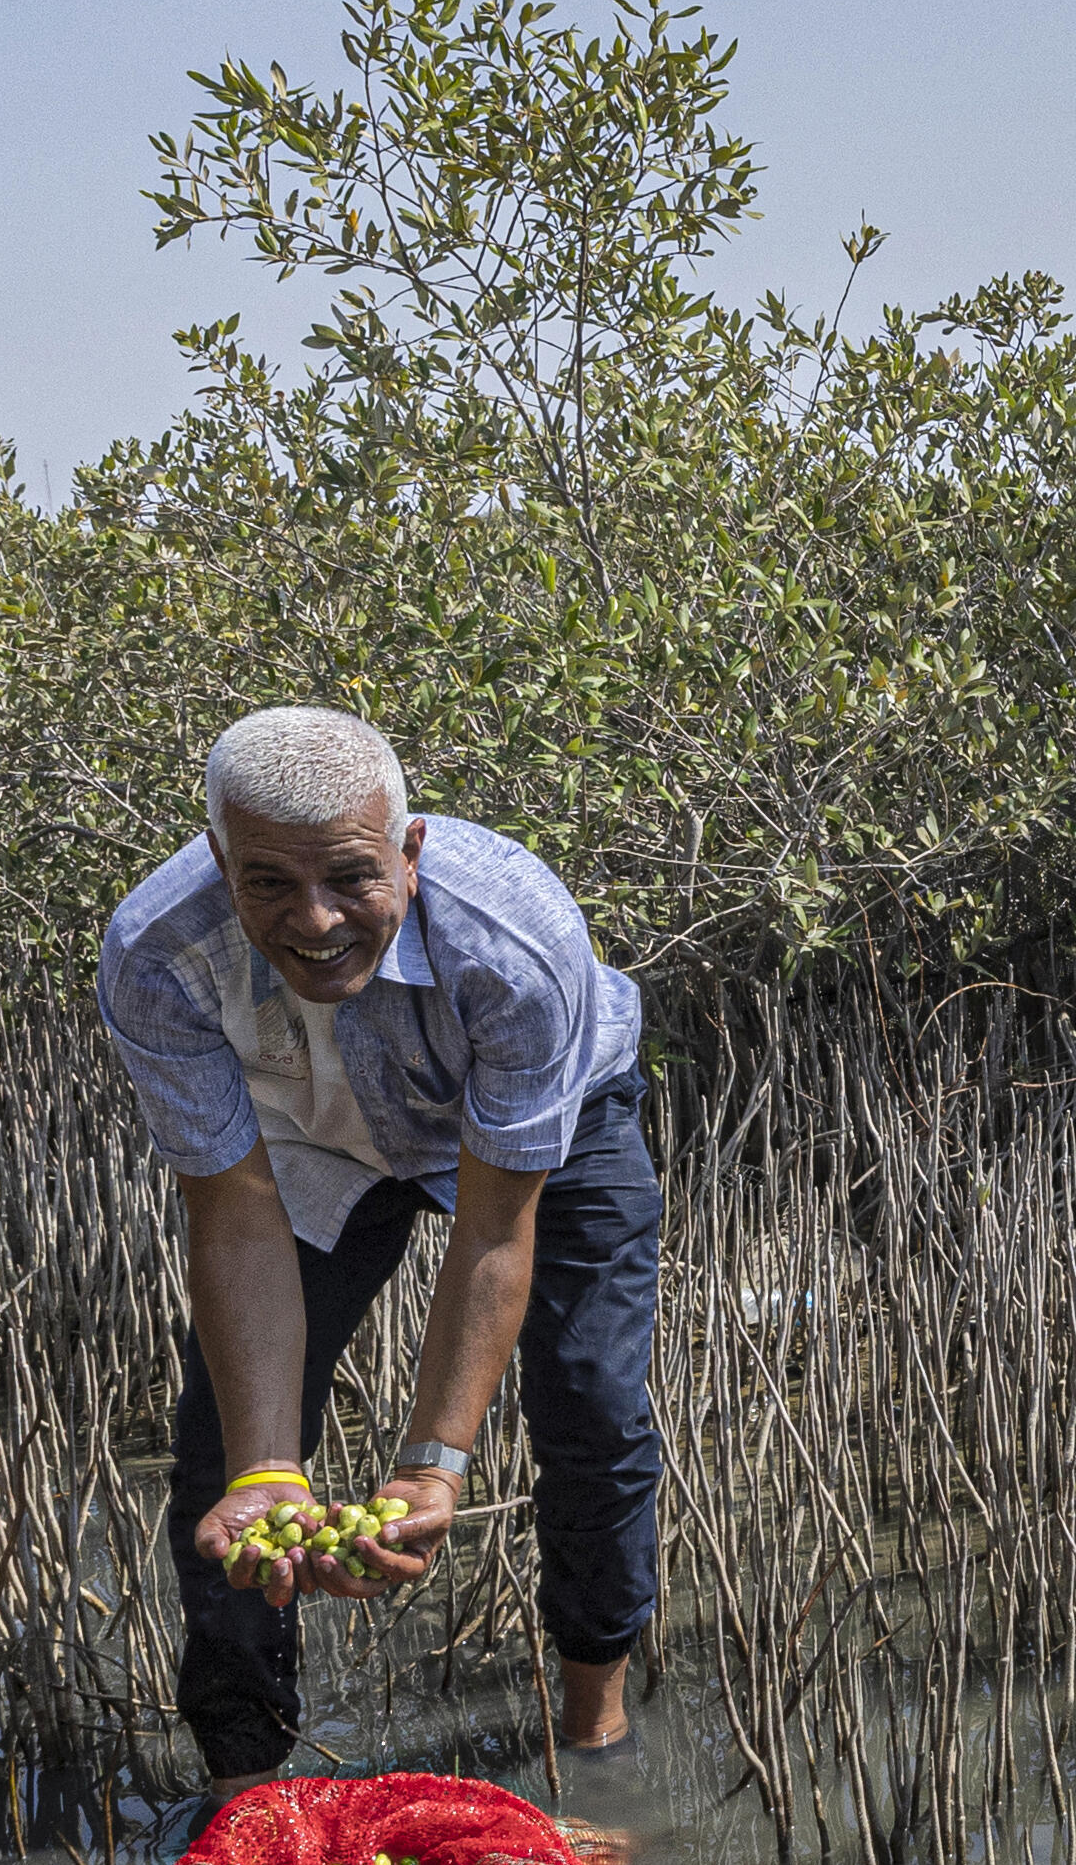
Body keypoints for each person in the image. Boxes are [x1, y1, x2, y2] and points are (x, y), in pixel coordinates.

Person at [98, 705, 662, 1800]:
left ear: (409, 850)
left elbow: (496, 1226)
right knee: (221, 1449)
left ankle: (596, 1731)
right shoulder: (157, 953)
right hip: (309, 1137)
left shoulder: (510, 941)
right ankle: (245, 1782)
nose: (313, 921)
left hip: (548, 1126)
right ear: (218, 861)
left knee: (592, 1404)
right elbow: (233, 1212)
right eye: (267, 884)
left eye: (351, 878)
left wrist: (431, 1466)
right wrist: (271, 1470)